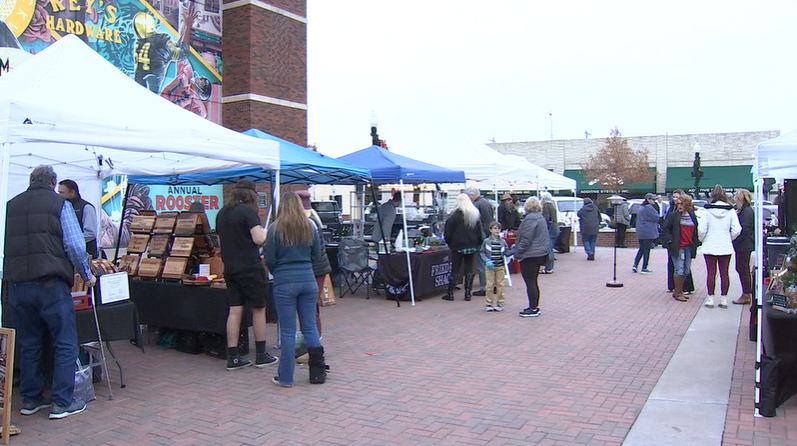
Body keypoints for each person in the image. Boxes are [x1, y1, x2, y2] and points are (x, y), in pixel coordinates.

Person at [5, 165, 96, 419]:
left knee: (29, 342)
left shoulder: (11, 205)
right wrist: (87, 276)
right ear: (53, 184)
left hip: (17, 284)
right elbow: (75, 245)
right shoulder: (59, 205)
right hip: (49, 283)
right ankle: (62, 401)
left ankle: (31, 399)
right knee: (64, 342)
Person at [264, 192, 327, 387]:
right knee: (309, 327)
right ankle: (317, 373)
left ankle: (285, 377)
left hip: (284, 282)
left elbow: (270, 259)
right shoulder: (310, 226)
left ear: (282, 206)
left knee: (288, 331)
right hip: (307, 279)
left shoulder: (275, 229)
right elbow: (317, 255)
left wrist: (280, 271)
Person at [215, 179, 278, 371]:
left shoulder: (222, 213)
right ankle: (260, 354)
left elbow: (220, 242)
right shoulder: (248, 212)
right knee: (258, 309)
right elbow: (258, 239)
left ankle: (233, 357)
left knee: (235, 310)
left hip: (230, 267)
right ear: (251, 195)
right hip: (249, 267)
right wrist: (266, 233)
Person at [133, 5, 197, 93]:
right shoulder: (162, 39)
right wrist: (188, 26)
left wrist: (185, 27)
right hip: (154, 87)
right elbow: (183, 53)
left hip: (140, 84)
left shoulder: (139, 44)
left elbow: (173, 48)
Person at [698, 185, 742, 309]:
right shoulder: (731, 210)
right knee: (724, 273)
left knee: (711, 273)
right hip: (725, 245)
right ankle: (723, 299)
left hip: (710, 244)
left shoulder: (707, 210)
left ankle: (710, 299)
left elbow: (702, 229)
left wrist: (703, 239)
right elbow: (737, 229)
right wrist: (729, 238)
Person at [297, 190, 331, 337]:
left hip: (314, 269)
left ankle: (313, 340)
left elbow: (311, 251)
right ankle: (313, 338)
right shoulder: (313, 220)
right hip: (318, 268)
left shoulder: (309, 222)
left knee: (310, 307)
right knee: (311, 306)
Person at [443, 193, 485, 301]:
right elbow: (479, 231)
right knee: (469, 268)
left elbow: (447, 233)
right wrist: (478, 243)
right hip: (471, 244)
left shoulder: (453, 216)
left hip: (457, 245)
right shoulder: (474, 214)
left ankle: (450, 293)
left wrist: (449, 243)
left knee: (455, 269)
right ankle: (467, 293)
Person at [514, 197, 550, 317]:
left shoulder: (530, 219)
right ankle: (534, 306)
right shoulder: (540, 217)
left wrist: (518, 253)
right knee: (533, 281)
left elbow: (526, 239)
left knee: (530, 282)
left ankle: (533, 307)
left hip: (530, 254)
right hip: (540, 253)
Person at [662, 194, 699, 302]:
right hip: (678, 247)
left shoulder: (691, 215)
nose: (679, 206)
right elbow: (666, 229)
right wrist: (670, 241)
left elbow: (696, 229)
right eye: (678, 204)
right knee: (679, 269)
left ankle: (678, 291)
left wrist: (696, 242)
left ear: (687, 204)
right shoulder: (674, 216)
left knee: (686, 270)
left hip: (689, 246)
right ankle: (678, 292)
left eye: (682, 203)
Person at [57, 179, 98, 259]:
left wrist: (71, 241)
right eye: (58, 192)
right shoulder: (61, 207)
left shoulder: (86, 207)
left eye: (62, 192)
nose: (59, 195)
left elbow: (91, 233)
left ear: (72, 192)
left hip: (86, 254)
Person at [466, 187, 493, 296]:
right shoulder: (486, 202)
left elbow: (473, 221)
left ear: (472, 195)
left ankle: (484, 287)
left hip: (481, 236)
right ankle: (490, 285)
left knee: (482, 262)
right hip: (487, 234)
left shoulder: (476, 205)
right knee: (487, 261)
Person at [480, 221, 510, 312]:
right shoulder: (486, 241)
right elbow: (482, 252)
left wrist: (512, 251)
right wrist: (487, 261)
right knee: (489, 285)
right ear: (490, 230)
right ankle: (488, 303)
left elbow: (506, 252)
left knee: (500, 285)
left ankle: (500, 303)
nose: (497, 230)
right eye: (495, 228)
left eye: (498, 229)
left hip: (500, 266)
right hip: (490, 267)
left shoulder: (503, 241)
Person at [732, 189, 755, 305]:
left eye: (736, 198)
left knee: (742, 268)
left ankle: (746, 294)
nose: (735, 201)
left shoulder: (746, 212)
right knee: (741, 267)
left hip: (744, 244)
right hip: (744, 244)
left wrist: (735, 239)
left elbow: (744, 229)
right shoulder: (746, 211)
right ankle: (746, 293)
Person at [632, 193, 661, 274]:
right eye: (653, 199)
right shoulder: (649, 208)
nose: (654, 201)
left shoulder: (641, 207)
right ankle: (644, 268)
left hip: (641, 231)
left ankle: (635, 264)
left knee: (641, 249)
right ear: (648, 199)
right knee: (647, 250)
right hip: (648, 232)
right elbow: (657, 217)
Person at [540, 192, 559, 273]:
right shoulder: (552, 206)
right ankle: (549, 267)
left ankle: (549, 268)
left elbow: (546, 219)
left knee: (549, 249)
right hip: (555, 229)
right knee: (550, 248)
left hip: (550, 230)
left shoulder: (546, 207)